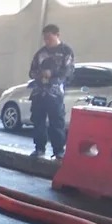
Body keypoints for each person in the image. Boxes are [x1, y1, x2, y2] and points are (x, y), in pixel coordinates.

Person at [27, 24, 75, 160]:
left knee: (56, 122)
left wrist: (52, 74)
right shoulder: (41, 53)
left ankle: (59, 150)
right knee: (38, 121)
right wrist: (40, 74)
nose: (47, 41)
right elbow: (31, 71)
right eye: (45, 38)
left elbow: (68, 72)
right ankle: (39, 148)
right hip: (39, 92)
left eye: (49, 38)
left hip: (55, 94)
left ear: (57, 35)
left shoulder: (66, 52)